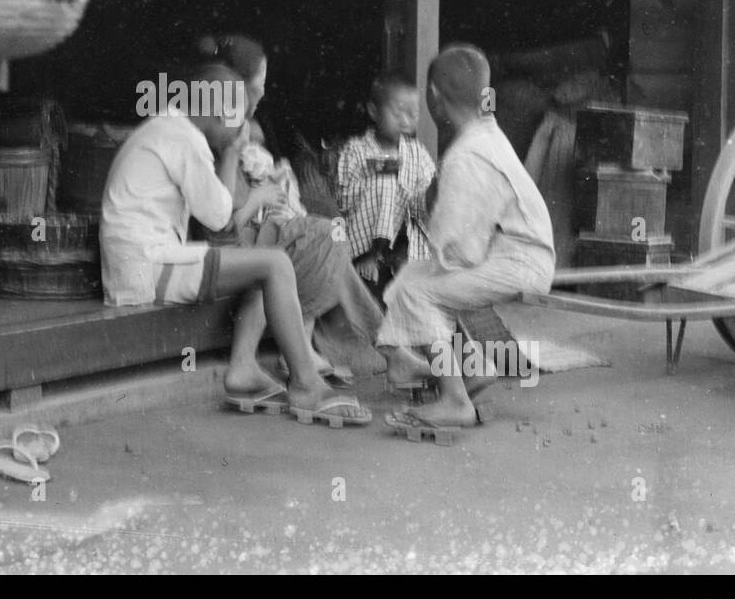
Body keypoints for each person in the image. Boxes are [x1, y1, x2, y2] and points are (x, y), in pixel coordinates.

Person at [100, 57, 370, 427]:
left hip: (144, 264)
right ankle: (307, 385)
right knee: (274, 264)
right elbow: (218, 216)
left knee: (258, 264)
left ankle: (242, 370)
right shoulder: (184, 138)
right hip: (149, 268)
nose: (242, 129)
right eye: (237, 119)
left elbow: (219, 219)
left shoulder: (166, 128)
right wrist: (229, 153)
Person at [197, 34, 432, 390]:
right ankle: (382, 355)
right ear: (238, 88)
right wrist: (261, 197)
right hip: (239, 245)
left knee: (330, 239)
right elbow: (222, 224)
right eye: (258, 85)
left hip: (262, 235)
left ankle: (388, 355)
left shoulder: (243, 129)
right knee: (326, 237)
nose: (262, 93)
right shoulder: (217, 133)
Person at [380, 44, 556, 434]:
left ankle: (454, 400)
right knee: (415, 277)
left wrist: (426, 212)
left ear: (434, 98)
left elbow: (456, 250)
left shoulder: (467, 156)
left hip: (519, 263)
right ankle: (469, 370)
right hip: (517, 254)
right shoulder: (485, 135)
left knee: (418, 292)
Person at [336, 72, 436, 290]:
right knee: (385, 183)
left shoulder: (417, 152)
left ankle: (407, 262)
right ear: (373, 111)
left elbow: (426, 195)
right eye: (398, 112)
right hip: (365, 238)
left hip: (403, 234)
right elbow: (343, 198)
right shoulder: (356, 150)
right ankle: (371, 257)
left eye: (413, 114)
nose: (406, 120)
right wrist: (372, 179)